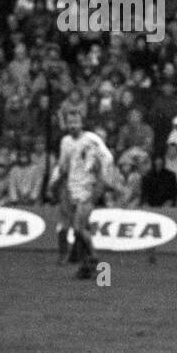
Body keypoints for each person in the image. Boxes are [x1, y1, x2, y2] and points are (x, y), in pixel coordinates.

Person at [49, 109, 113, 280]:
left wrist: (101, 177)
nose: (72, 126)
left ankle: (94, 258)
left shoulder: (91, 139)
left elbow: (107, 157)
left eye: (75, 122)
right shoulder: (65, 141)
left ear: (81, 123)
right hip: (72, 189)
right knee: (80, 229)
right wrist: (56, 183)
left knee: (78, 227)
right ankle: (86, 266)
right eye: (70, 122)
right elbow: (63, 165)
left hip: (88, 190)